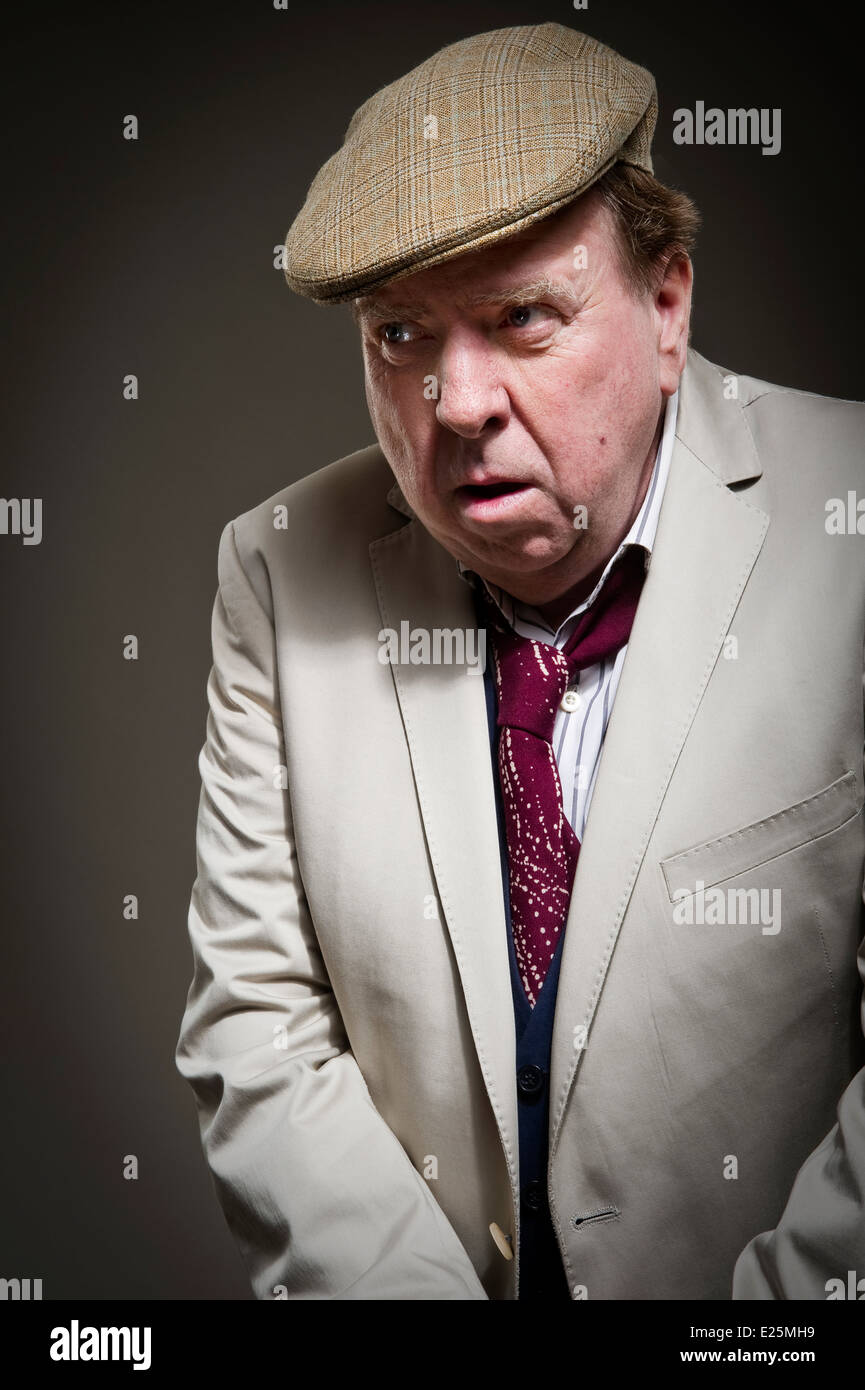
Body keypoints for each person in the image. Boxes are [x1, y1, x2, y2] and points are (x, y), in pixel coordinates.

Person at [175, 21, 865, 1300]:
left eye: (522, 318)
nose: (456, 402)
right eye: (399, 337)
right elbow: (257, 1029)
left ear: (667, 307)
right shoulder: (277, 571)